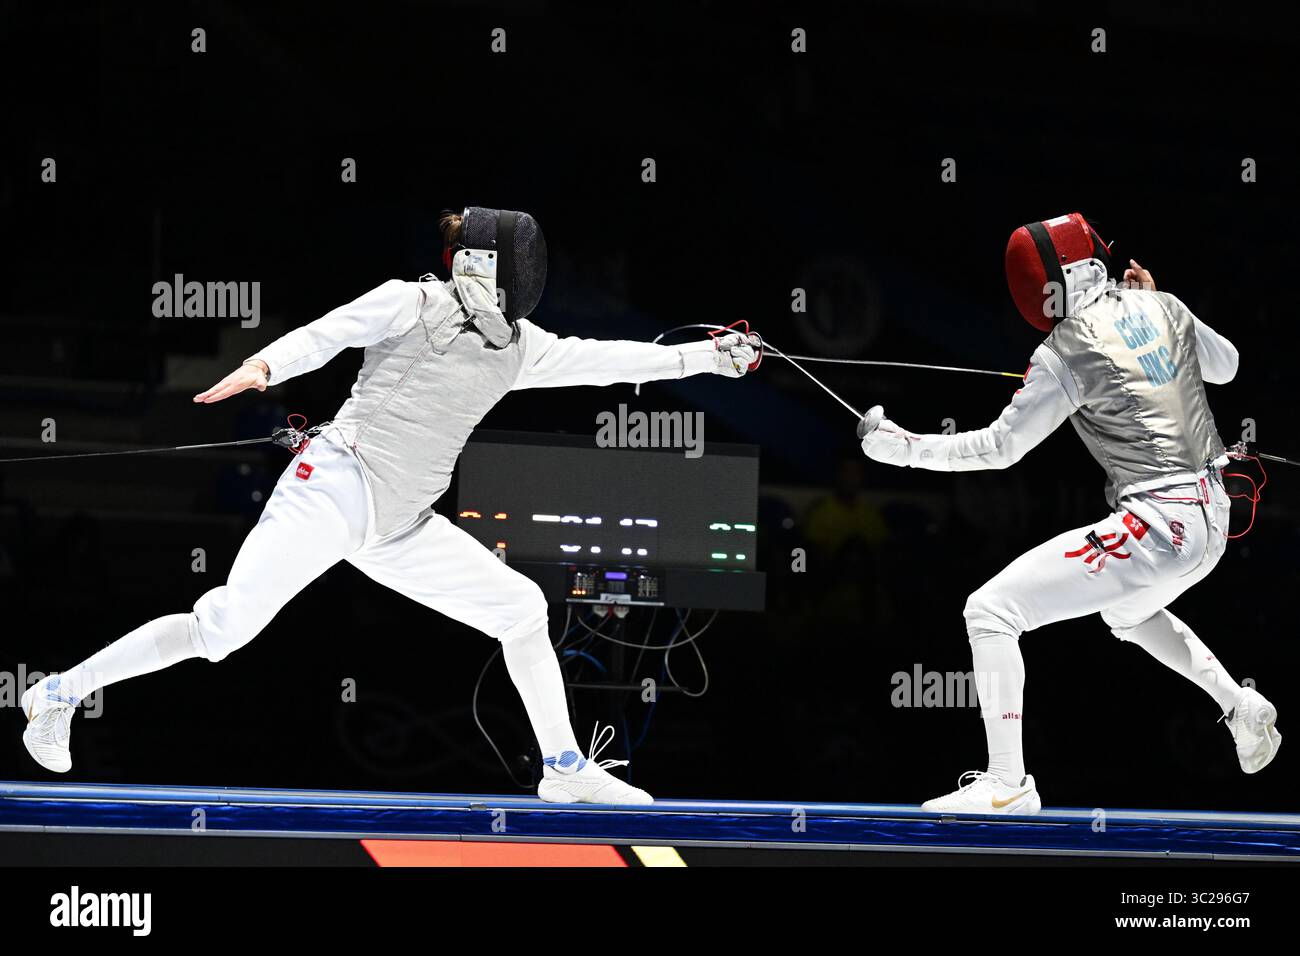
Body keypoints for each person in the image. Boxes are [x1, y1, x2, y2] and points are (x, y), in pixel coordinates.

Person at [21, 206, 759, 805]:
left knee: (521, 609)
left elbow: (611, 363)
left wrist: (709, 356)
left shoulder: (520, 347)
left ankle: (563, 765)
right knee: (223, 629)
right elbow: (327, 334)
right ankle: (58, 693)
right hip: (333, 487)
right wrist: (262, 366)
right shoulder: (411, 301)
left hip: (400, 525)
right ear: (486, 265)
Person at [857, 212, 1281, 814]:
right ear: (1092, 262)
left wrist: (903, 450)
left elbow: (1002, 447)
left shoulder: (1065, 347)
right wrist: (1161, 304)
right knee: (1128, 614)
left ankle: (1008, 785)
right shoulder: (1167, 307)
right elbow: (1229, 366)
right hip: (1216, 517)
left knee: (991, 610)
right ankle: (1239, 705)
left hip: (1159, 527)